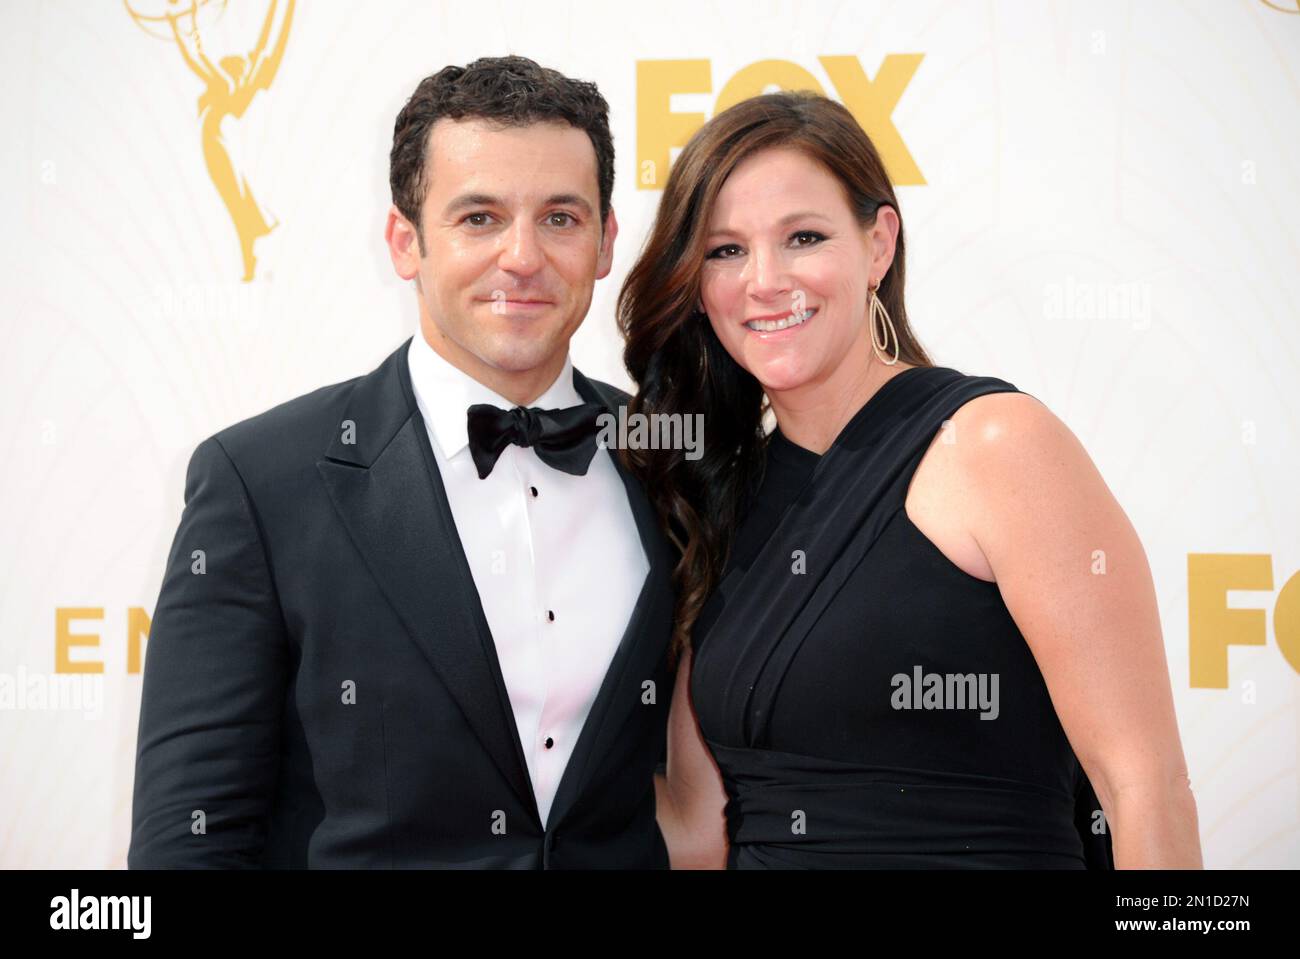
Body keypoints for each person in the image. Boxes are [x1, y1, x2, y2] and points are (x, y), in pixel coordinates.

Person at [618, 91, 1202, 869]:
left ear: (879, 243)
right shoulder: (725, 495)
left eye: (804, 237)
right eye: (725, 250)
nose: (764, 279)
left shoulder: (995, 444)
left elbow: (1143, 786)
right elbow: (698, 829)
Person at [128, 56, 675, 868]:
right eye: (479, 217)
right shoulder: (259, 484)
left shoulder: (671, 462)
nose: (522, 256)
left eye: (560, 217)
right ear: (404, 241)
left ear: (604, 243)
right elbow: (191, 839)